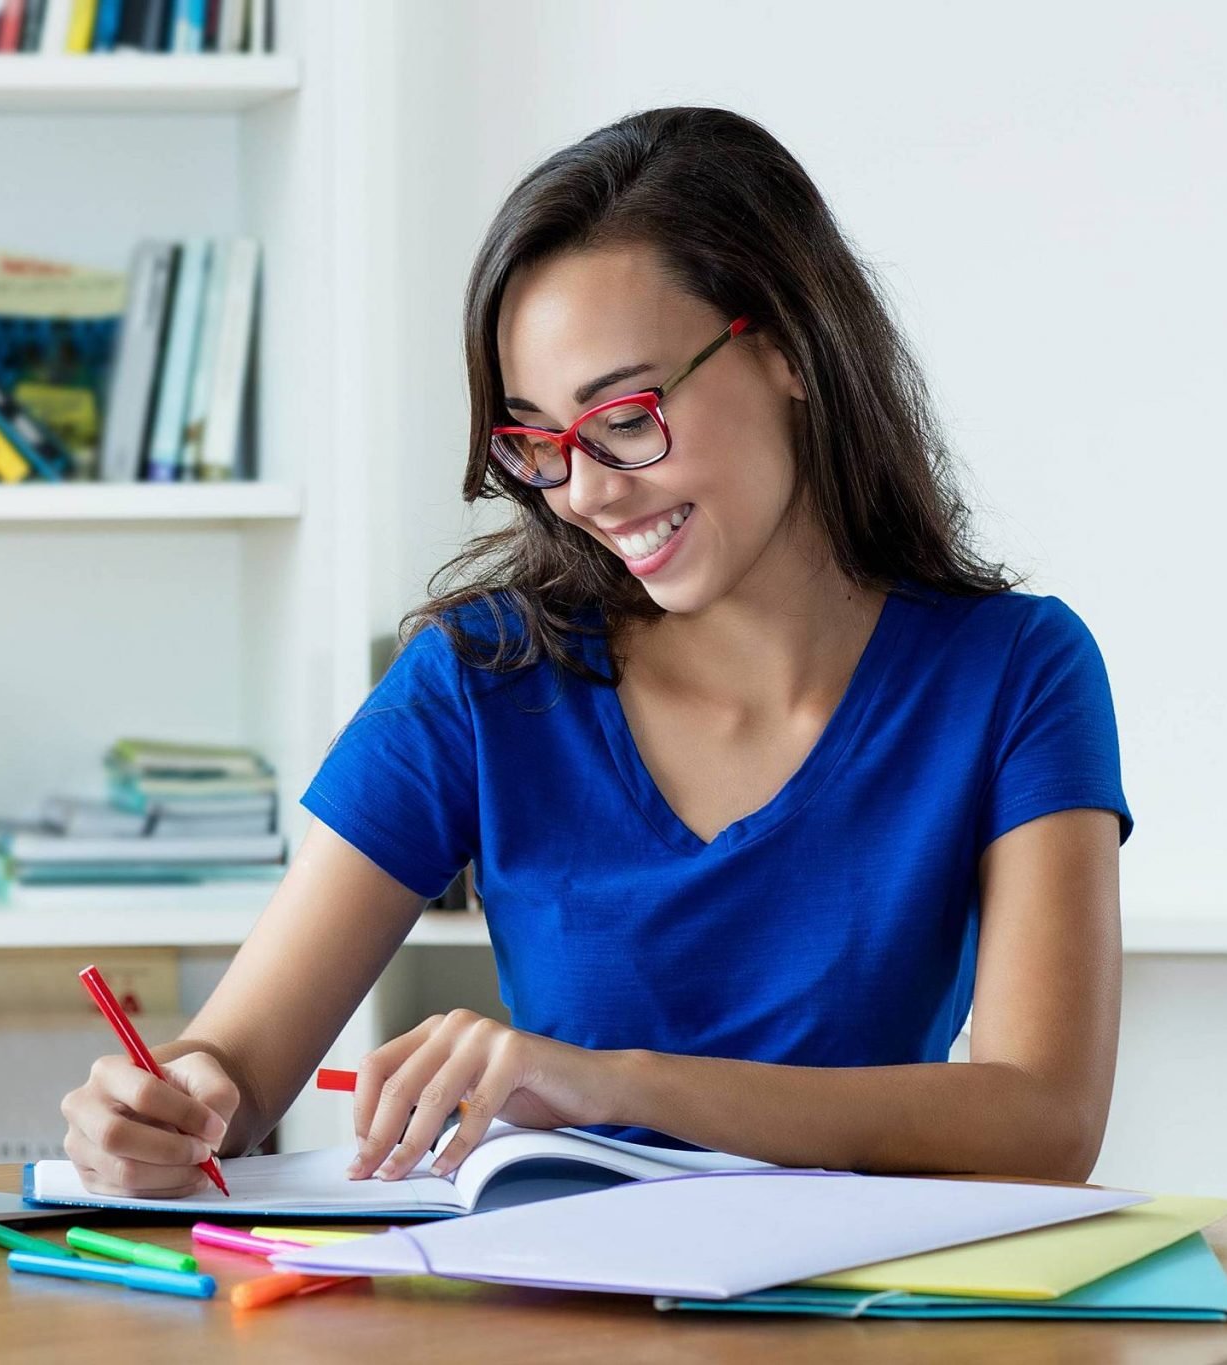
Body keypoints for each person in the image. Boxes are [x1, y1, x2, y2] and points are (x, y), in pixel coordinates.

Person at [59, 106, 1131, 1197]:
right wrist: (166, 1105)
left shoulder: (1013, 672)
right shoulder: (478, 681)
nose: (584, 491)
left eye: (622, 415)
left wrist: (610, 1086)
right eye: (536, 441)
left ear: (788, 349)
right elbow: (235, 1065)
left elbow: (1042, 1118)